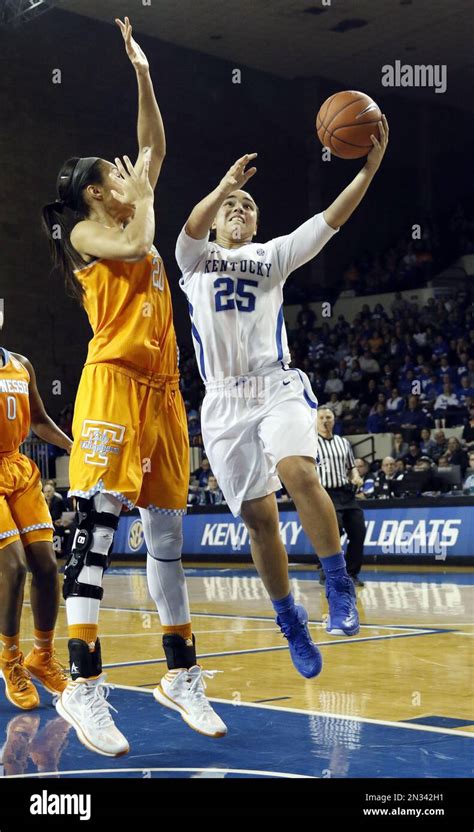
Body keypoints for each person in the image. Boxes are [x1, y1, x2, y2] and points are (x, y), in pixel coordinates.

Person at [41, 17, 225, 757]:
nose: (132, 177)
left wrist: (144, 74)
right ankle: (82, 686)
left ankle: (181, 673)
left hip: (163, 390)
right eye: (116, 177)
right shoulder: (88, 236)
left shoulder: (132, 201)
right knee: (95, 536)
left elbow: (154, 145)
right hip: (113, 383)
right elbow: (138, 240)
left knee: (167, 538)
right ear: (94, 192)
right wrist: (141, 195)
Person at [176, 118, 389, 666]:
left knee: (297, 470)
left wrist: (368, 167)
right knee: (260, 519)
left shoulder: (272, 257)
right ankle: (289, 619)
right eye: (232, 206)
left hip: (276, 384)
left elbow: (331, 220)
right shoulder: (193, 259)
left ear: (259, 222)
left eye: (248, 205)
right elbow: (192, 225)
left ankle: (337, 582)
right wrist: (223, 187)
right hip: (222, 401)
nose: (239, 210)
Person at [0, 347, 71, 709]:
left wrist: (75, 447)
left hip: (19, 468)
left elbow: (39, 421)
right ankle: (10, 660)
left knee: (46, 565)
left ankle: (42, 656)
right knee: (13, 567)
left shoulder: (21, 364)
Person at [316, 411, 366, 586]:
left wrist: (356, 477)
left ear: (334, 420)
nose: (325, 421)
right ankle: (327, 570)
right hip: (324, 493)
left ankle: (352, 573)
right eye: (321, 418)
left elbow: (351, 467)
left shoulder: (343, 442)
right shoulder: (309, 443)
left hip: (345, 493)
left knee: (359, 531)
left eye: (328, 418)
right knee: (333, 531)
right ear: (315, 420)